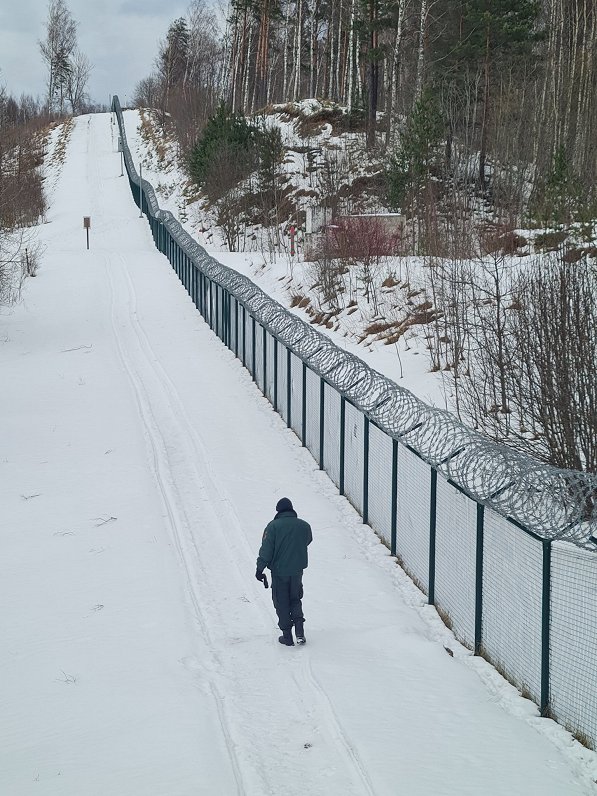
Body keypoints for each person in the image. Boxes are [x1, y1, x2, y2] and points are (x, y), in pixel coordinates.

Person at [256, 497, 312, 646]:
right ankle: (299, 632)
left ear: (278, 511)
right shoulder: (304, 526)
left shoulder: (273, 527)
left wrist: (260, 568)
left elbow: (266, 550)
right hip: (297, 571)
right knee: (295, 599)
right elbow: (307, 540)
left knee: (281, 602)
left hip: (279, 572)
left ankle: (287, 636)